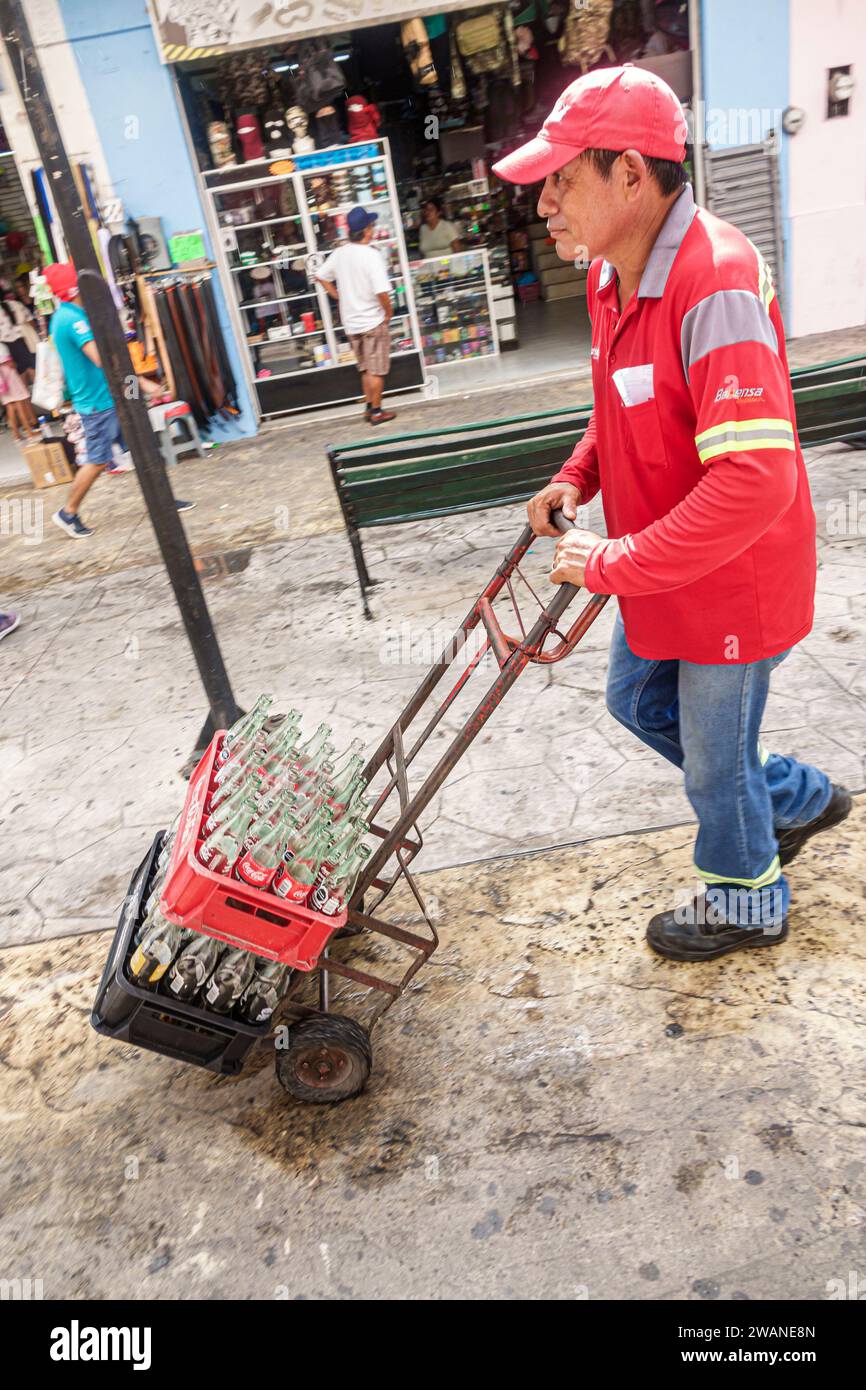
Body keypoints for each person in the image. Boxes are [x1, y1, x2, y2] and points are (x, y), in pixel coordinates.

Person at [493, 65, 850, 964]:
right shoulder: (616, 279)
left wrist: (610, 562)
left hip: (733, 576)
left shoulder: (714, 278)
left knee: (712, 760)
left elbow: (755, 481)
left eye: (561, 179)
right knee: (634, 700)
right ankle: (795, 798)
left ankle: (748, 899)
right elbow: (628, 402)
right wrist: (579, 473)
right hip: (668, 566)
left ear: (630, 174)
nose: (544, 205)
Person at [43, 262, 193, 539]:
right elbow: (103, 360)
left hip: (116, 395)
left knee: (143, 444)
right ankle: (68, 512)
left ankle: (163, 501)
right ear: (75, 288)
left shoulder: (73, 314)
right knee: (98, 460)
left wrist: (138, 387)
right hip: (100, 404)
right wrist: (144, 383)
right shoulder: (72, 319)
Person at [316, 206, 396, 426]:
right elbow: (381, 291)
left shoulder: (340, 253)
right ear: (367, 230)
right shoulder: (371, 256)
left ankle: (369, 408)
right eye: (372, 225)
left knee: (365, 368)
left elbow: (320, 275)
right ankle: (377, 412)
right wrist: (388, 313)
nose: (373, 229)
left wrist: (338, 296)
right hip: (372, 320)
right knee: (376, 370)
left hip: (351, 322)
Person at [0, 342, 38, 441]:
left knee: (10, 405)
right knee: (20, 402)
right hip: (8, 375)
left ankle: (16, 434)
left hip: (1, 382)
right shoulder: (1, 346)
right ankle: (29, 432)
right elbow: (9, 363)